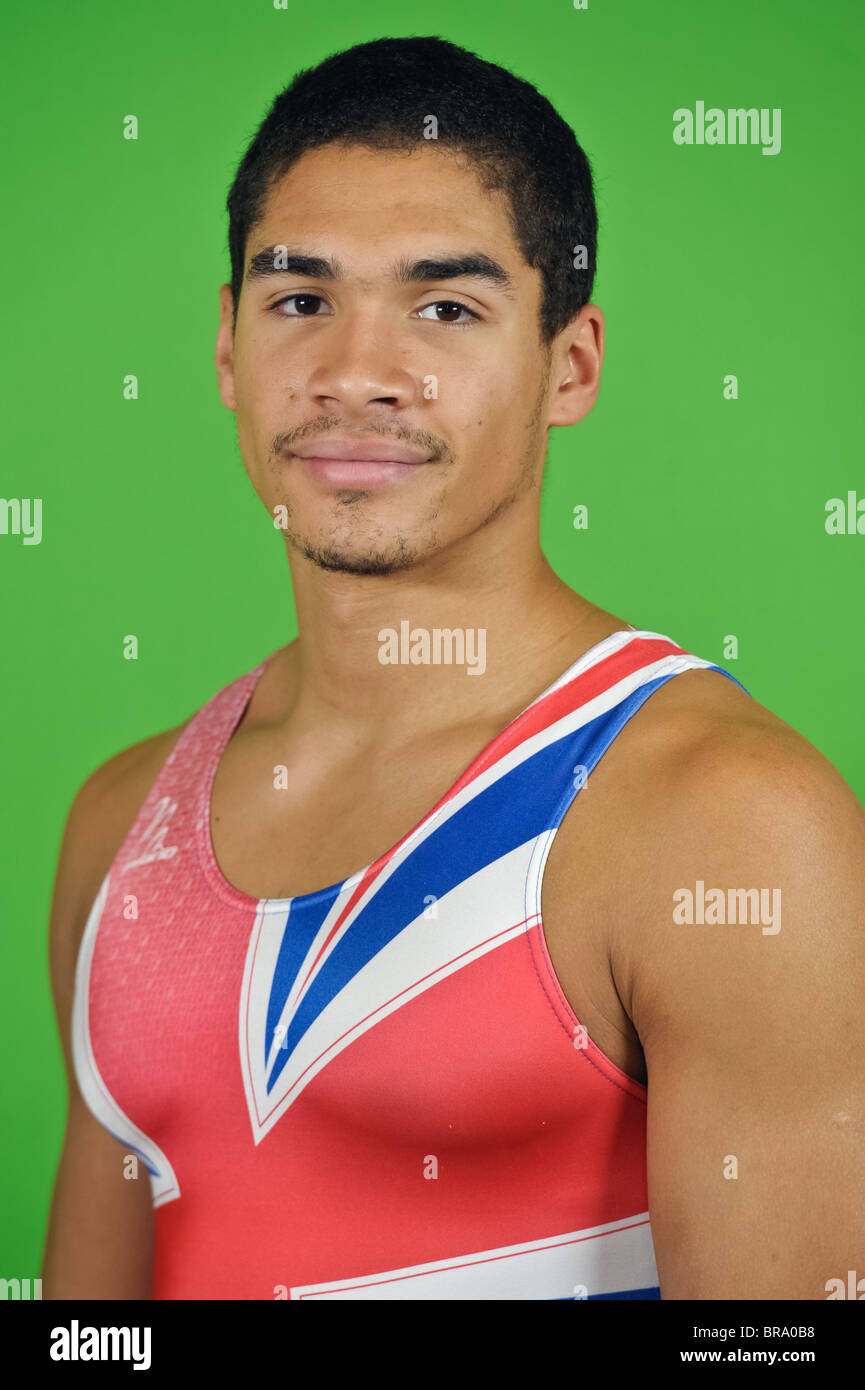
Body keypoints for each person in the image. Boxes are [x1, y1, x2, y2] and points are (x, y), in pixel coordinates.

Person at [42, 36, 865, 1300]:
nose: (355, 375)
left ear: (568, 366)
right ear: (225, 347)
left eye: (445, 308)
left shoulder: (728, 825)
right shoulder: (119, 825)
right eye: (300, 299)